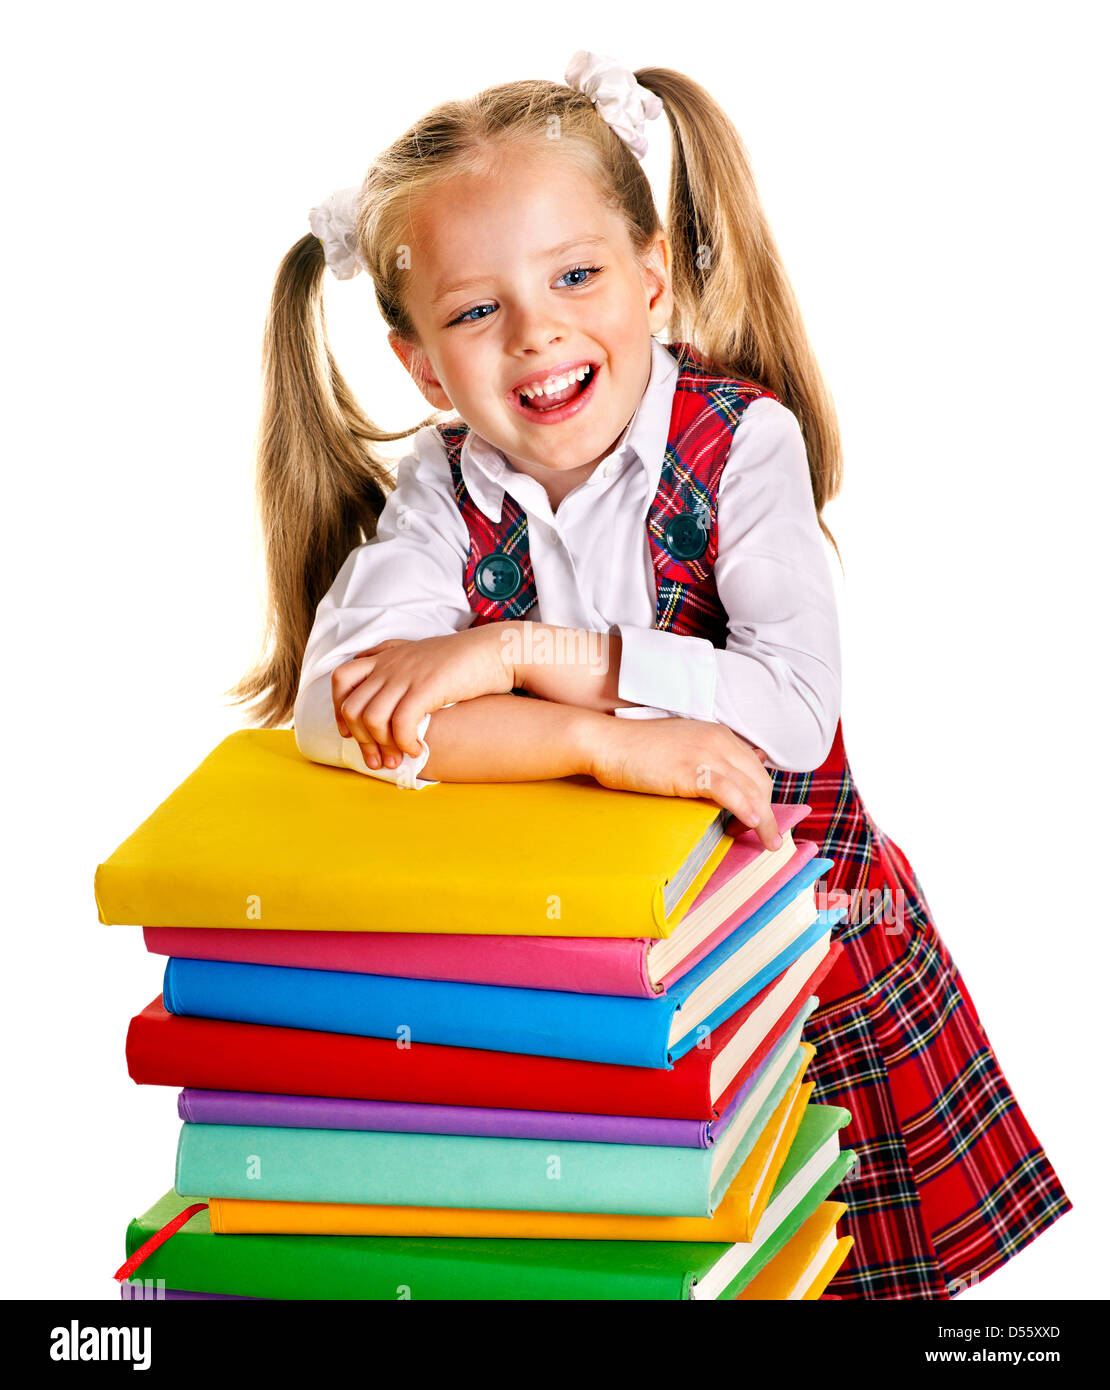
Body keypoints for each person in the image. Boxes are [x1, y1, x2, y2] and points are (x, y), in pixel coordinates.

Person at [231, 51, 1070, 1298]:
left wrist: (513, 657)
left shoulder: (742, 444)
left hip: (802, 960)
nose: (537, 331)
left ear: (652, 276)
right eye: (475, 311)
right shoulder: (442, 496)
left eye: (574, 275)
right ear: (422, 368)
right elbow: (340, 711)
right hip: (593, 979)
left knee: (817, 1267)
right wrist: (601, 743)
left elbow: (788, 709)